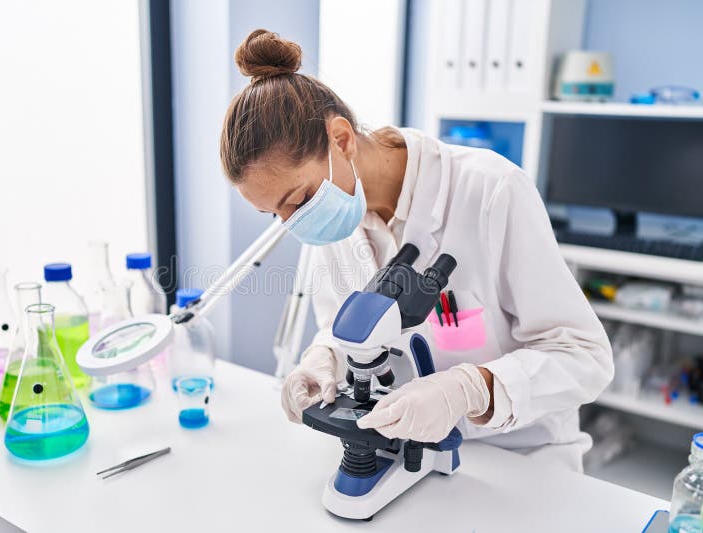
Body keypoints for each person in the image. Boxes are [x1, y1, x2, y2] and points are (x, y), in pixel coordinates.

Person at [219, 29, 613, 472]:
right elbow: (342, 327)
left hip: (520, 459)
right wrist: (323, 357)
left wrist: (472, 388)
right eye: (275, 213)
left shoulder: (491, 191)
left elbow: (584, 356)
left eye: (297, 201)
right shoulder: (335, 217)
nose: (294, 223)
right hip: (408, 452)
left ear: (342, 140)